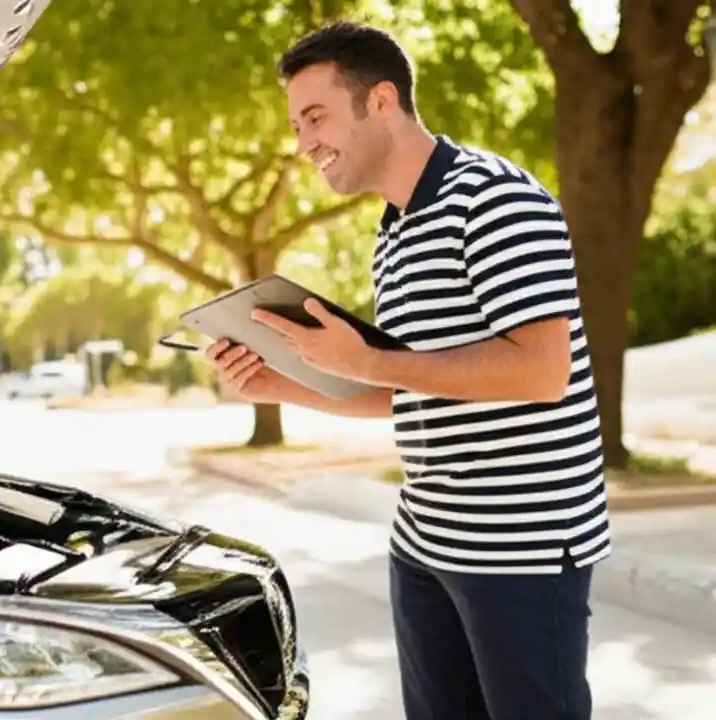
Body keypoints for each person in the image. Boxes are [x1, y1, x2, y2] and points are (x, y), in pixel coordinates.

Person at [206, 20, 610, 720]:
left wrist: (370, 359)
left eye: (315, 116)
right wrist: (282, 386)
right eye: (298, 124)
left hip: (520, 546)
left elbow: (544, 373)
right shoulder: (394, 231)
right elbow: (415, 391)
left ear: (382, 101)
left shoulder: (496, 200)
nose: (304, 143)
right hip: (425, 540)